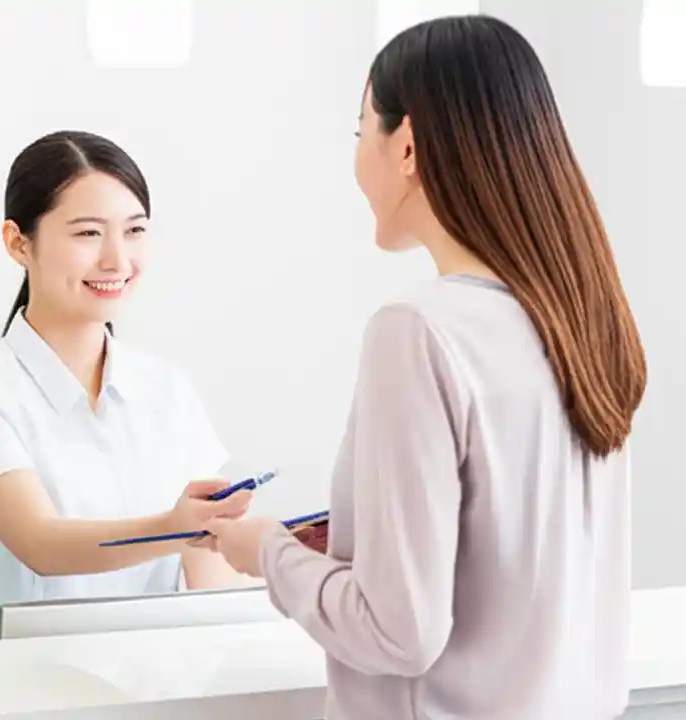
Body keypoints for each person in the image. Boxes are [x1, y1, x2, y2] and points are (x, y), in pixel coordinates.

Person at [204, 16, 646, 720]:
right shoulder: (582, 321)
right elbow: (513, 554)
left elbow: (398, 632)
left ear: (405, 145)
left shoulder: (418, 331)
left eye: (360, 132)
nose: (357, 162)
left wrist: (268, 553)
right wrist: (358, 538)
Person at [0, 130, 251, 643]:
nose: (117, 260)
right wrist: (175, 526)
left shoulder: (167, 388)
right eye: (88, 234)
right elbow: (41, 544)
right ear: (18, 242)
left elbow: (211, 574)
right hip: (9, 681)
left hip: (151, 678)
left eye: (135, 230)